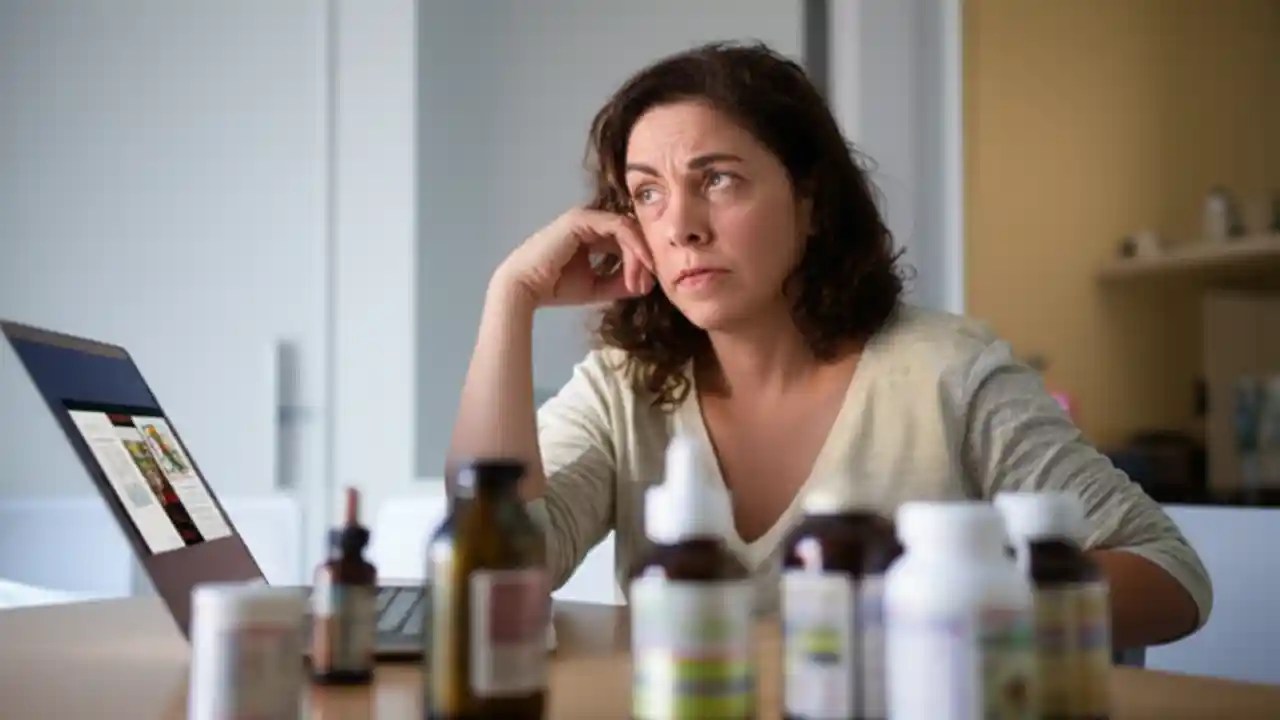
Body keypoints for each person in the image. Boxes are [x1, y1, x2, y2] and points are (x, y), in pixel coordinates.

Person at [447, 41, 1210, 649]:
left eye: (717, 180)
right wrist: (509, 301)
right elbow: (505, 567)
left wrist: (948, 603)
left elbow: (1169, 576)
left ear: (809, 202)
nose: (680, 224)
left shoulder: (948, 373)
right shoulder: (625, 386)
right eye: (646, 192)